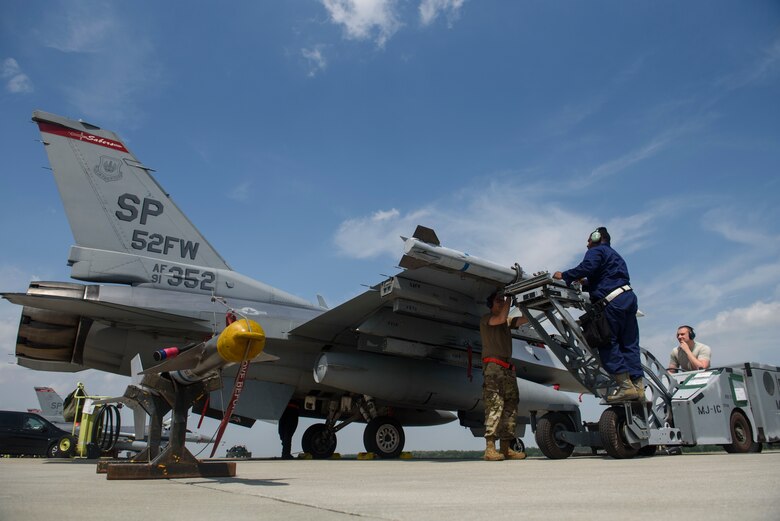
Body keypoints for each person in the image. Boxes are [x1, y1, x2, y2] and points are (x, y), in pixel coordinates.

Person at [553, 227, 644, 402]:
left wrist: (564, 275)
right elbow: (605, 278)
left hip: (612, 303)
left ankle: (626, 388)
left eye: (588, 240)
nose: (587, 244)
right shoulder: (615, 255)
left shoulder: (596, 250)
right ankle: (638, 388)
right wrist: (585, 283)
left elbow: (588, 267)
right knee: (629, 344)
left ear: (596, 238)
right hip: (627, 298)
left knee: (607, 341)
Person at [479, 290, 528, 461]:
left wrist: (525, 304)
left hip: (507, 369)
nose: (501, 303)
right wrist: (510, 297)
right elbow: (500, 319)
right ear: (490, 305)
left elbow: (525, 319)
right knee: (494, 404)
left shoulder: (507, 322)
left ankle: (506, 448)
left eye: (503, 300)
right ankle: (490, 448)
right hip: (493, 368)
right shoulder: (486, 319)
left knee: (510, 407)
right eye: (498, 301)